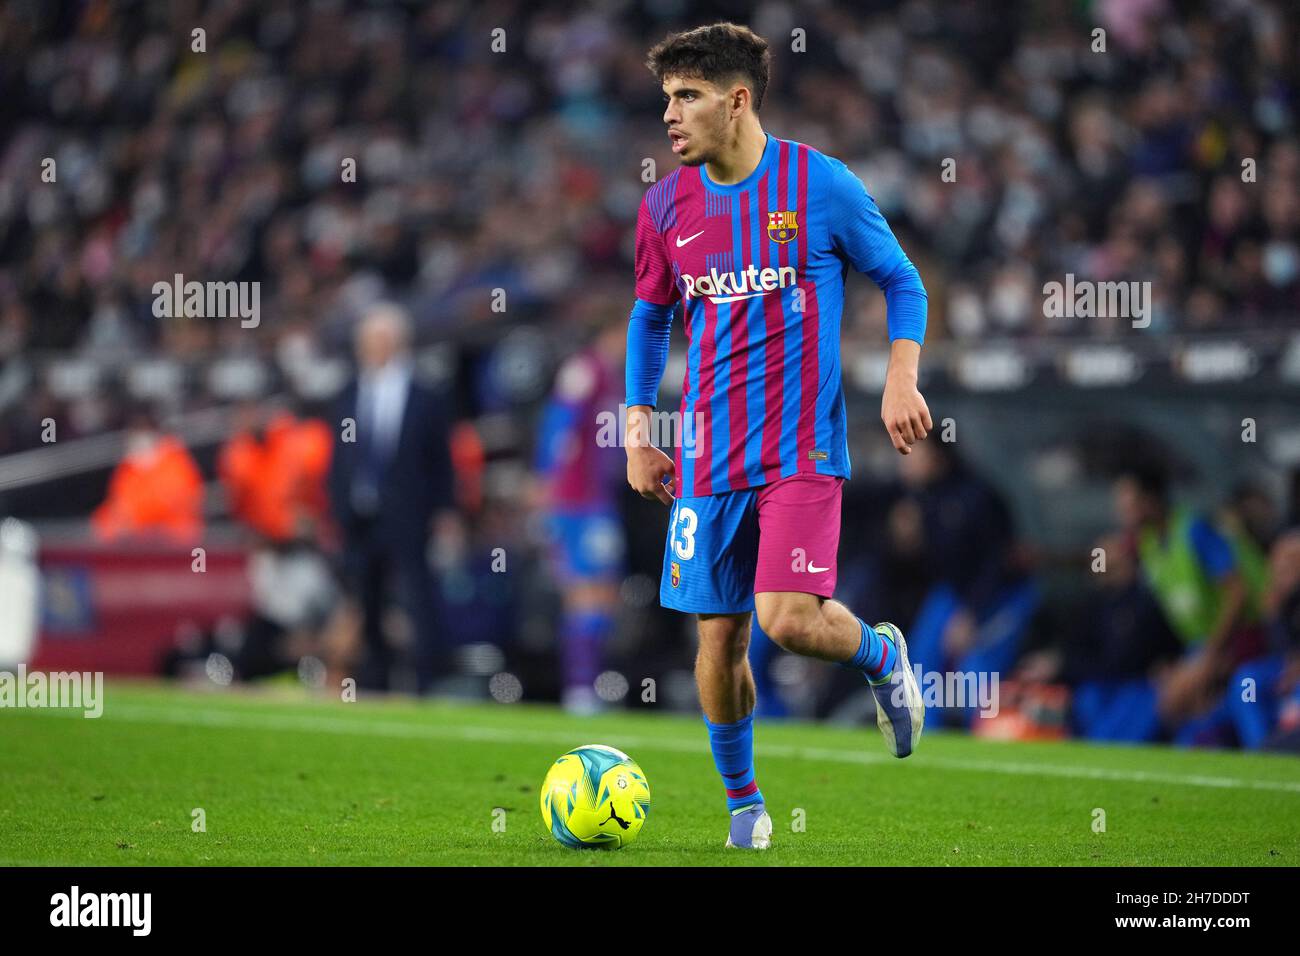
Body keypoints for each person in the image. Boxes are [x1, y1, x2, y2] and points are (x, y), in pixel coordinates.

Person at [624, 22, 930, 850]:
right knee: (718, 643)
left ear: (737, 99)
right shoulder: (665, 207)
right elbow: (650, 318)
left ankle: (879, 654)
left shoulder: (817, 184)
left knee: (788, 619)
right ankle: (744, 809)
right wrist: (638, 428)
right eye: (665, 100)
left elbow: (902, 281)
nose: (670, 117)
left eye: (686, 97)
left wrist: (900, 376)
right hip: (706, 460)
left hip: (801, 450)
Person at [327, 303, 455, 693]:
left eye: (379, 341)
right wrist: (336, 505)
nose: (370, 349)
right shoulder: (347, 394)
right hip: (360, 515)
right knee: (367, 600)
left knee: (418, 597)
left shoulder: (426, 396)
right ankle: (376, 681)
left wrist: (445, 511)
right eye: (366, 341)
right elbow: (339, 459)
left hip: (409, 514)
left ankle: (426, 682)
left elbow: (440, 461)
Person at [533, 316, 628, 715]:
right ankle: (579, 688)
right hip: (577, 502)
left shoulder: (610, 375)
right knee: (584, 592)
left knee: (603, 594)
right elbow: (558, 425)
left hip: (600, 499)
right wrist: (547, 480)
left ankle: (589, 685)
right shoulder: (583, 370)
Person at [92, 408, 204, 545]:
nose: (139, 439)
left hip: (175, 546)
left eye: (143, 430)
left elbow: (169, 503)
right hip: (135, 545)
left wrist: (130, 518)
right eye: (135, 432)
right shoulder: (128, 466)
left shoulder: (176, 463)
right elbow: (115, 506)